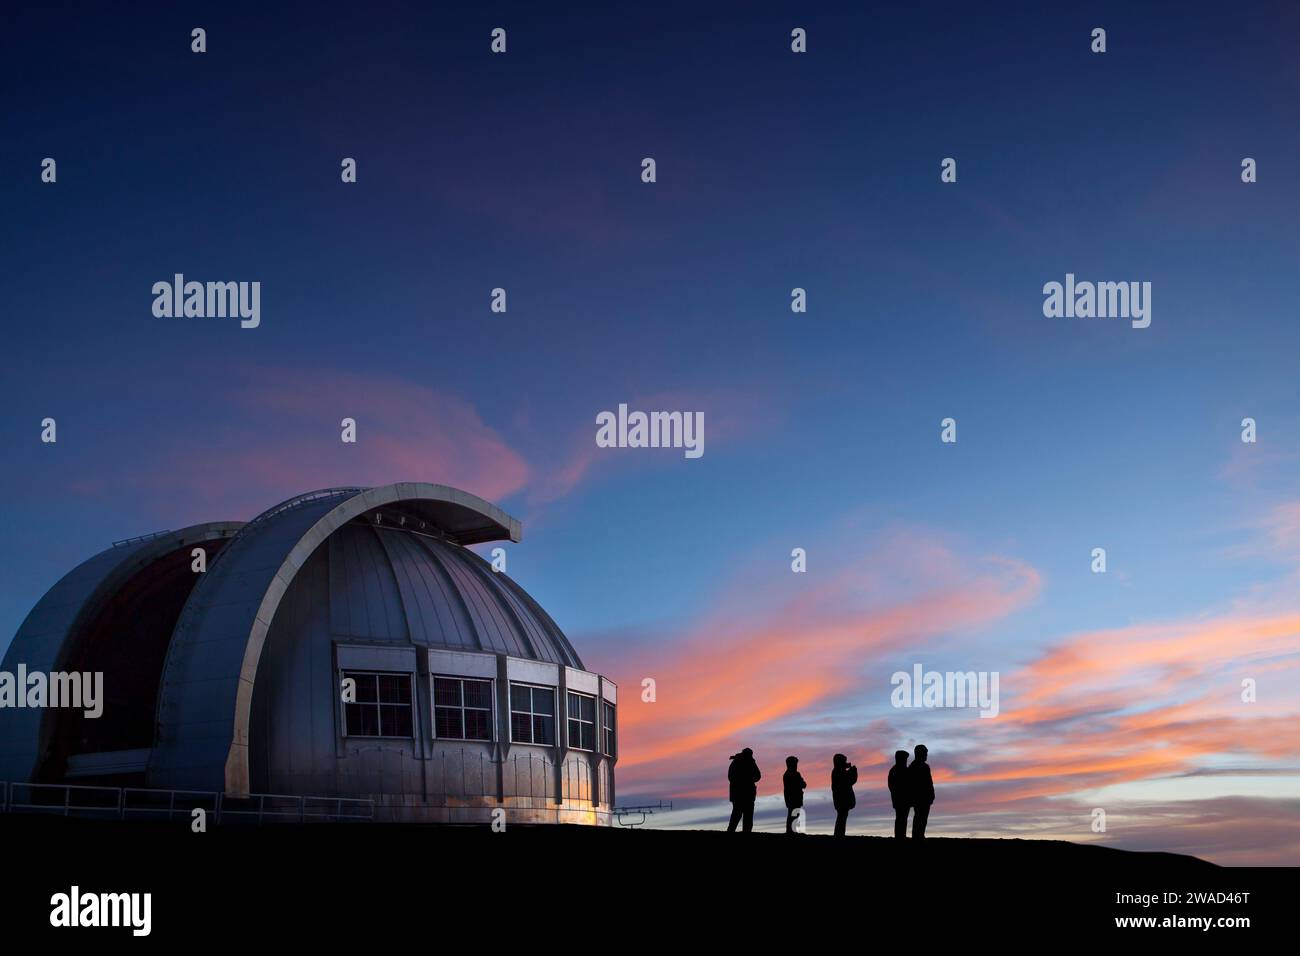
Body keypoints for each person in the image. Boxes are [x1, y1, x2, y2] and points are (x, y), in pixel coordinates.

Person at [727, 748, 761, 832]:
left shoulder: (751, 762)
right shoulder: (736, 762)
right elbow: (730, 777)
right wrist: (744, 779)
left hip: (747, 795)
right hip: (739, 795)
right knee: (737, 815)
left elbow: (758, 776)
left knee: (747, 817)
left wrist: (749, 779)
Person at [908, 744, 935, 839]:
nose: (926, 755)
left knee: (923, 819)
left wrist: (931, 794)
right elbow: (912, 784)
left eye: (926, 753)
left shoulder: (925, 767)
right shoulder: (913, 767)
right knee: (919, 818)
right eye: (925, 753)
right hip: (919, 798)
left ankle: (920, 835)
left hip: (926, 798)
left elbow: (929, 783)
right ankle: (917, 836)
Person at [830, 753, 857, 836]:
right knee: (842, 817)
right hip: (842, 800)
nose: (846, 763)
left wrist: (850, 771)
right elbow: (849, 781)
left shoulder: (838, 771)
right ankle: (839, 834)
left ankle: (840, 834)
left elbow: (848, 780)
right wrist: (853, 772)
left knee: (842, 817)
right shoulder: (838, 772)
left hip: (841, 800)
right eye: (844, 761)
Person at [887, 750, 910, 839]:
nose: (905, 761)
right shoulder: (896, 770)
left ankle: (901, 836)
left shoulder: (896, 770)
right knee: (901, 818)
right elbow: (892, 786)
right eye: (904, 759)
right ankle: (900, 836)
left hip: (901, 799)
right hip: (900, 799)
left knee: (902, 818)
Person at [782, 756, 807, 834]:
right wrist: (799, 784)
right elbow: (798, 784)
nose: (796, 765)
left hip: (797, 797)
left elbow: (804, 784)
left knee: (795, 814)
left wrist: (800, 784)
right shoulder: (788, 775)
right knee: (792, 814)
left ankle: (792, 830)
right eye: (795, 763)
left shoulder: (796, 774)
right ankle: (790, 831)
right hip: (791, 798)